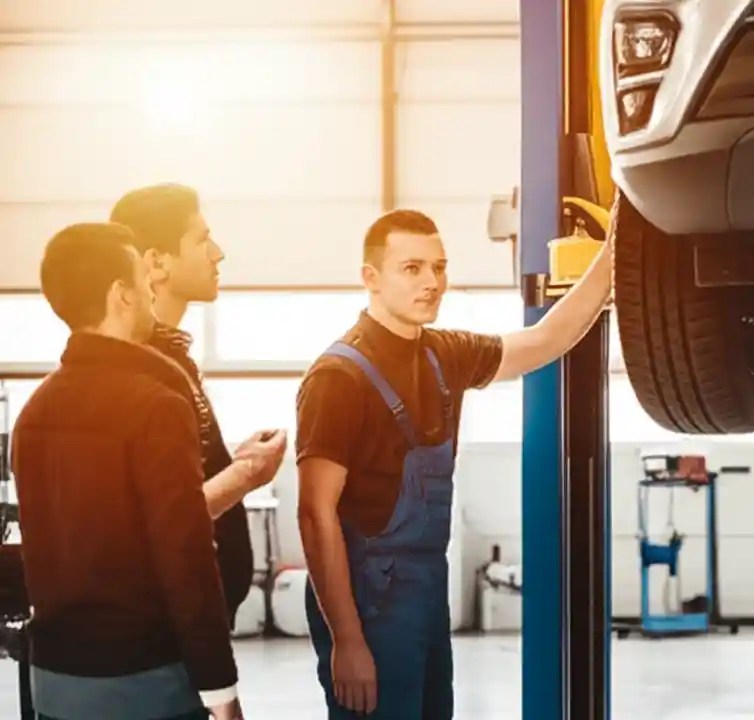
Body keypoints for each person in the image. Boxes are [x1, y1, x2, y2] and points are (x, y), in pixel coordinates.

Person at [296, 209, 613, 718]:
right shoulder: (338, 378)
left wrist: (616, 253)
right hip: (368, 602)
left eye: (439, 267)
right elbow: (315, 515)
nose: (432, 283)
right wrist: (347, 641)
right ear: (370, 279)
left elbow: (544, 341)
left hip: (425, 589)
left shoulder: (445, 353)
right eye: (413, 268)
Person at [11, 222, 244, 720]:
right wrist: (221, 693)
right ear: (122, 294)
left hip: (53, 687)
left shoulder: (34, 412)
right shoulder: (156, 406)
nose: (151, 292)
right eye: (143, 278)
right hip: (144, 686)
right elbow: (186, 559)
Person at [110, 183, 287, 620]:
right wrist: (246, 473)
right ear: (156, 263)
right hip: (167, 628)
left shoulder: (173, 359)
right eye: (202, 239)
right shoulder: (140, 369)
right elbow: (157, 515)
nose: (218, 253)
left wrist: (235, 462)